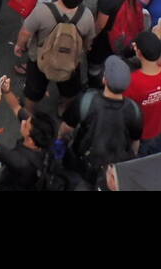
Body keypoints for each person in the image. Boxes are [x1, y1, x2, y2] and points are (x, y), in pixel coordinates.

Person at [60, 55, 142, 187]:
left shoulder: (86, 100)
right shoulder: (134, 109)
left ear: (104, 79)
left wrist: (61, 142)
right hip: (113, 169)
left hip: (84, 161)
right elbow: (135, 142)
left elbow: (66, 128)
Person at [128, 31, 161, 156]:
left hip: (136, 130)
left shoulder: (134, 81)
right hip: (156, 125)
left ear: (139, 53)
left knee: (136, 154)